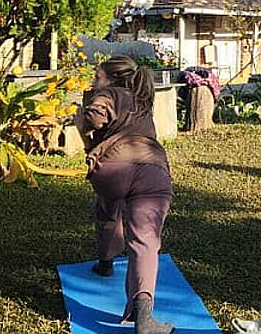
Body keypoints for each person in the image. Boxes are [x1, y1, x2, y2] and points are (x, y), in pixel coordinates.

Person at [74, 56, 174, 334]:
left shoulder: (108, 93)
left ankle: (105, 262)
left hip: (111, 172)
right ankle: (144, 317)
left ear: (111, 79)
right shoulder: (142, 101)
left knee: (108, 206)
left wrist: (81, 118)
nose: (94, 82)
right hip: (151, 169)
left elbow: (94, 117)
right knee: (145, 241)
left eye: (97, 77)